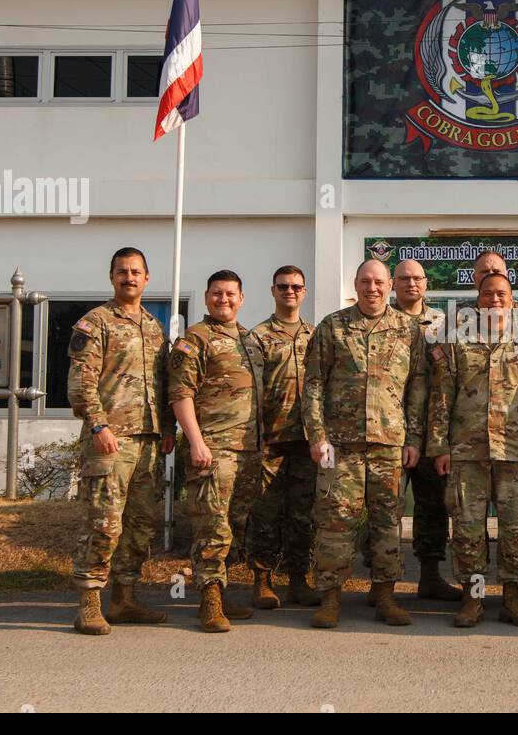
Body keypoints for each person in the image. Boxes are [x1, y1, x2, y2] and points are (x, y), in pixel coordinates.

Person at [302, 259, 428, 628]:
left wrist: (415, 438)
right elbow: (313, 385)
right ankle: (329, 597)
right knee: (334, 521)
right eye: (365, 282)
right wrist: (318, 436)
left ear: (390, 286)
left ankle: (385, 596)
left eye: (378, 282)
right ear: (355, 285)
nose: (372, 288)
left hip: (389, 443)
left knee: (387, 522)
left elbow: (417, 387)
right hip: (339, 446)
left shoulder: (408, 330)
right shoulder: (333, 327)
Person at [429, 272, 518, 627]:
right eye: (488, 295)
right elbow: (442, 394)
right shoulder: (458, 339)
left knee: (514, 531)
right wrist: (439, 446)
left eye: (501, 295)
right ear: (477, 299)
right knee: (467, 529)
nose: (494, 300)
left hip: (513, 451)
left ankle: (514, 599)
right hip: (466, 451)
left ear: (512, 301)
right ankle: (473, 598)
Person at [67, 247, 175, 635]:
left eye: (136, 272)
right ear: (111, 277)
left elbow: (162, 384)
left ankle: (124, 598)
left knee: (140, 525)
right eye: (122, 272)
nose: (129, 278)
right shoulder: (94, 323)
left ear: (147, 278)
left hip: (147, 441)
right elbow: (81, 382)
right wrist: (98, 426)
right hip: (109, 441)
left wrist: (166, 429)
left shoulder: (153, 326)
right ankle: (89, 603)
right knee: (103, 524)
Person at [168, 270, 266, 633]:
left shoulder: (249, 340)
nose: (223, 300)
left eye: (230, 294)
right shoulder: (195, 339)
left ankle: (221, 595)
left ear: (241, 298)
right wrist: (195, 441)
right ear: (207, 297)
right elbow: (181, 394)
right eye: (217, 294)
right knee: (212, 526)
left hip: (248, 451)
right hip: (213, 450)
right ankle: (208, 599)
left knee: (234, 525)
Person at [244, 265, 320, 609]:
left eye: (296, 287)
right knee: (265, 512)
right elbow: (249, 392)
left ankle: (298, 579)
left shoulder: (315, 335)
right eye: (283, 286)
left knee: (301, 513)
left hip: (306, 439)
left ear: (304, 292)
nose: (290, 292)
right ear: (273, 291)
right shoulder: (257, 336)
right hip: (270, 439)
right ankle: (262, 579)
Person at [391, 259, 463, 603]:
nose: (411, 284)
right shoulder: (379, 320)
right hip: (388, 428)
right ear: (393, 283)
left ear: (427, 283)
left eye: (417, 278)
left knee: (432, 505)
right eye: (404, 278)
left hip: (432, 428)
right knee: (386, 507)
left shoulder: (445, 324)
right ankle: (383, 582)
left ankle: (430, 576)